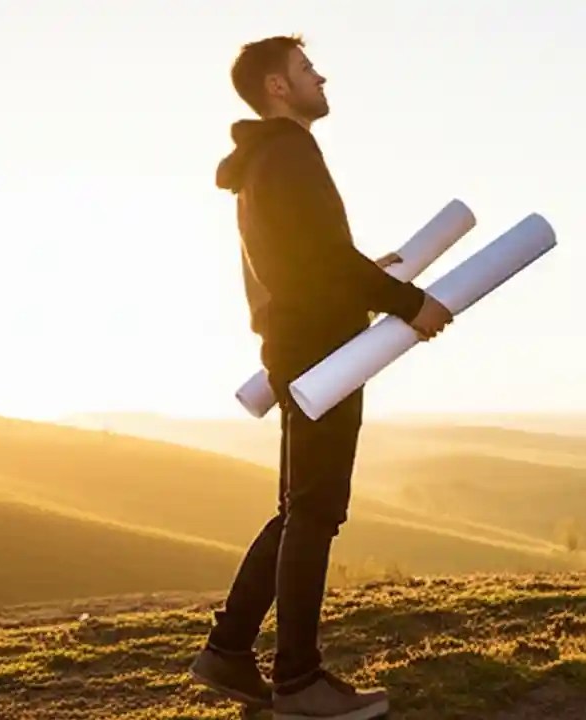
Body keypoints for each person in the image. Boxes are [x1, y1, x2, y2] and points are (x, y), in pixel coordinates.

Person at [188, 34, 453, 719]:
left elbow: (308, 257)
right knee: (314, 512)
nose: (319, 76)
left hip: (299, 344)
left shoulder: (261, 161)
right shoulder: (288, 153)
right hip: (320, 350)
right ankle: (299, 680)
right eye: (306, 70)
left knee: (300, 508)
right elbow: (321, 259)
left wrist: (375, 272)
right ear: (278, 87)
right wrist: (409, 302)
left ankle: (229, 650)